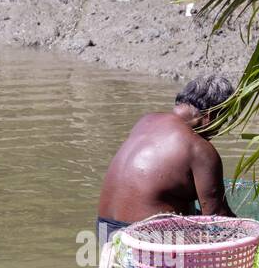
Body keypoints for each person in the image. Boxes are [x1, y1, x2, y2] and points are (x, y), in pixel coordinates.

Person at [97, 75, 236, 243]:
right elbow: (217, 220)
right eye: (223, 120)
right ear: (210, 116)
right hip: (147, 240)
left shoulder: (146, 120)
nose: (219, 129)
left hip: (105, 231)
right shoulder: (200, 149)